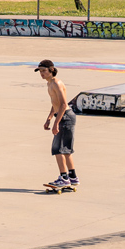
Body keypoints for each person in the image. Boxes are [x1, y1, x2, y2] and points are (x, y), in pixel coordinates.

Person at [37, 59, 77, 189]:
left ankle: (64, 178)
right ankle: (73, 177)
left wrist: (56, 123)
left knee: (58, 149)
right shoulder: (50, 84)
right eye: (40, 71)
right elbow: (55, 104)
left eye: (44, 71)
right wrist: (49, 118)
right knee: (65, 150)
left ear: (51, 70)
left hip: (65, 117)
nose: (41, 74)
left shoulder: (57, 83)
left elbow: (64, 104)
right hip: (63, 116)